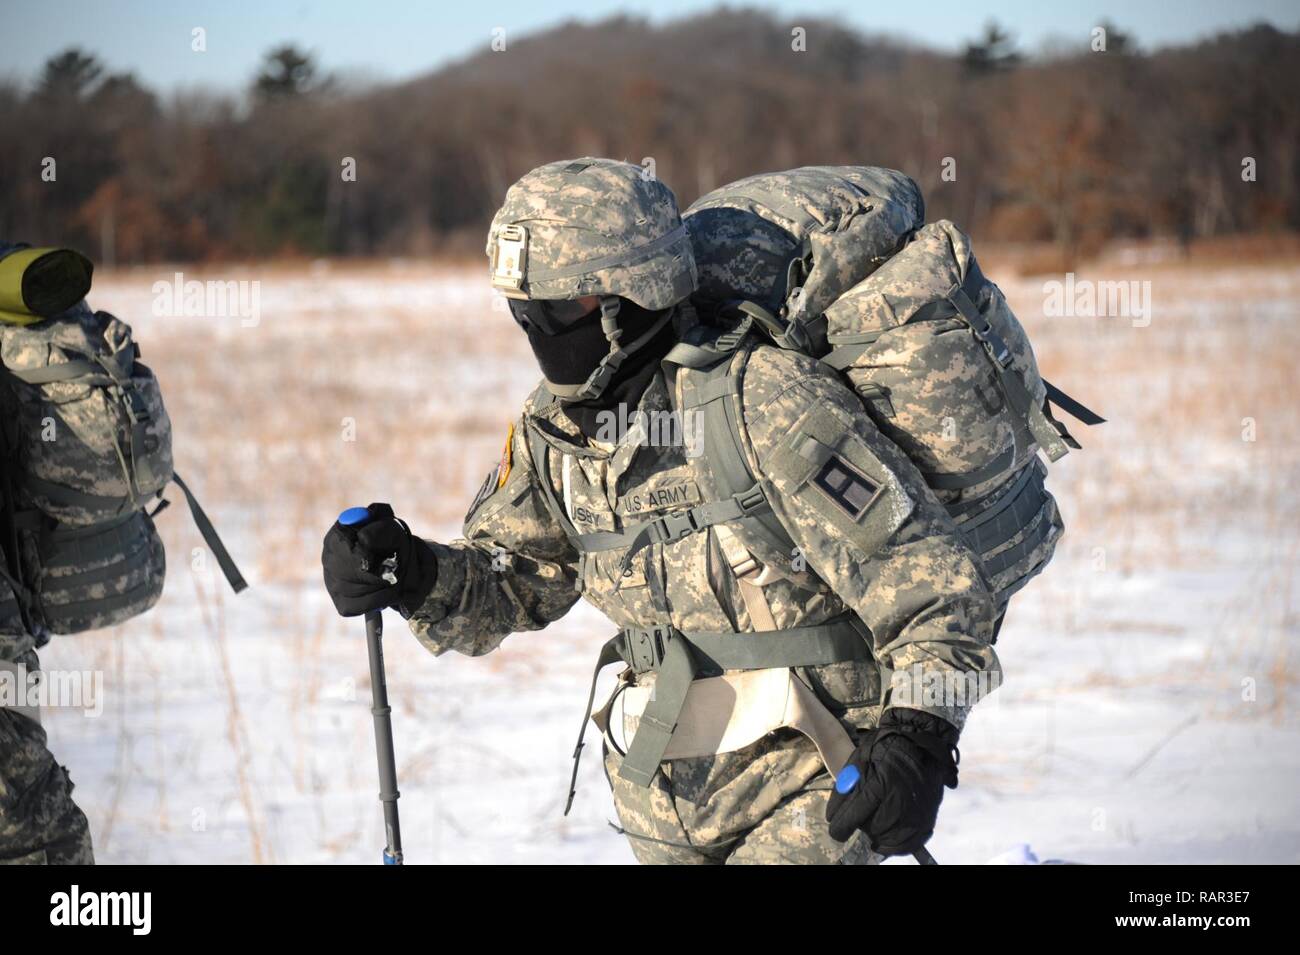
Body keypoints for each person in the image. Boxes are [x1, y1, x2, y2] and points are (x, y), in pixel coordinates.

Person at [321, 158, 1000, 864]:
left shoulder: (761, 401)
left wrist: (918, 735)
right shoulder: (554, 432)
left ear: (632, 296)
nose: (536, 328)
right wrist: (413, 572)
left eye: (557, 309)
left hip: (814, 781)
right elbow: (516, 578)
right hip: (663, 802)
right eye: (522, 311)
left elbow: (930, 581)